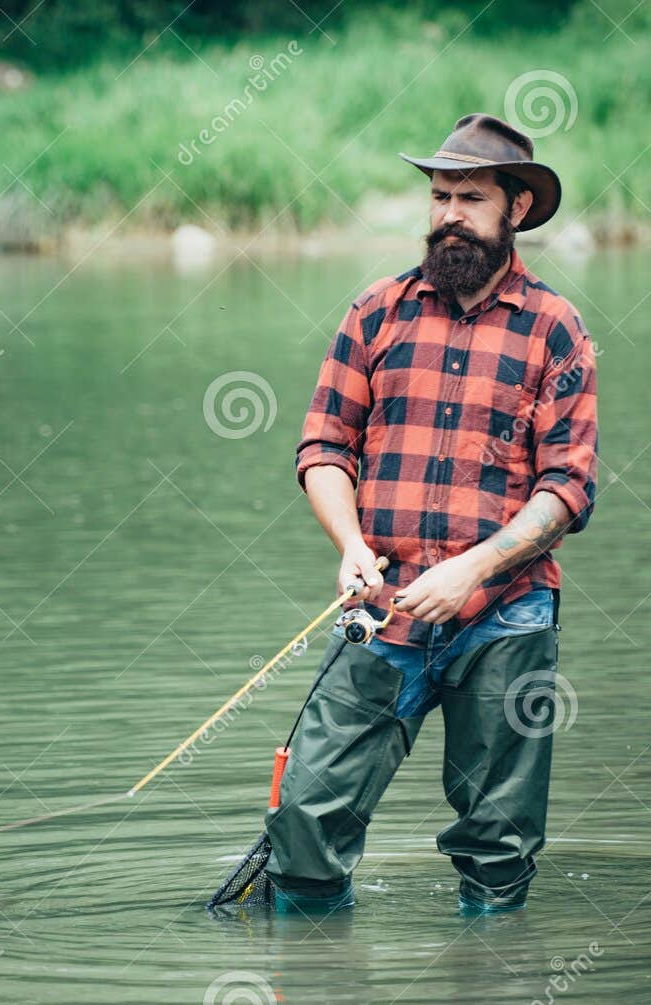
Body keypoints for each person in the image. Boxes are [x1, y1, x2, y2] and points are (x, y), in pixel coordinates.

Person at [264, 113, 599, 916]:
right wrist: (350, 545)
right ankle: (312, 976)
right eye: (440, 196)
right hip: (382, 612)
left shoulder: (556, 329)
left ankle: (490, 975)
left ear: (516, 209)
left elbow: (568, 489)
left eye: (471, 199)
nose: (449, 214)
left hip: (507, 618)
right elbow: (324, 447)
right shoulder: (376, 312)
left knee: (498, 846)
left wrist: (472, 571)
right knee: (305, 822)